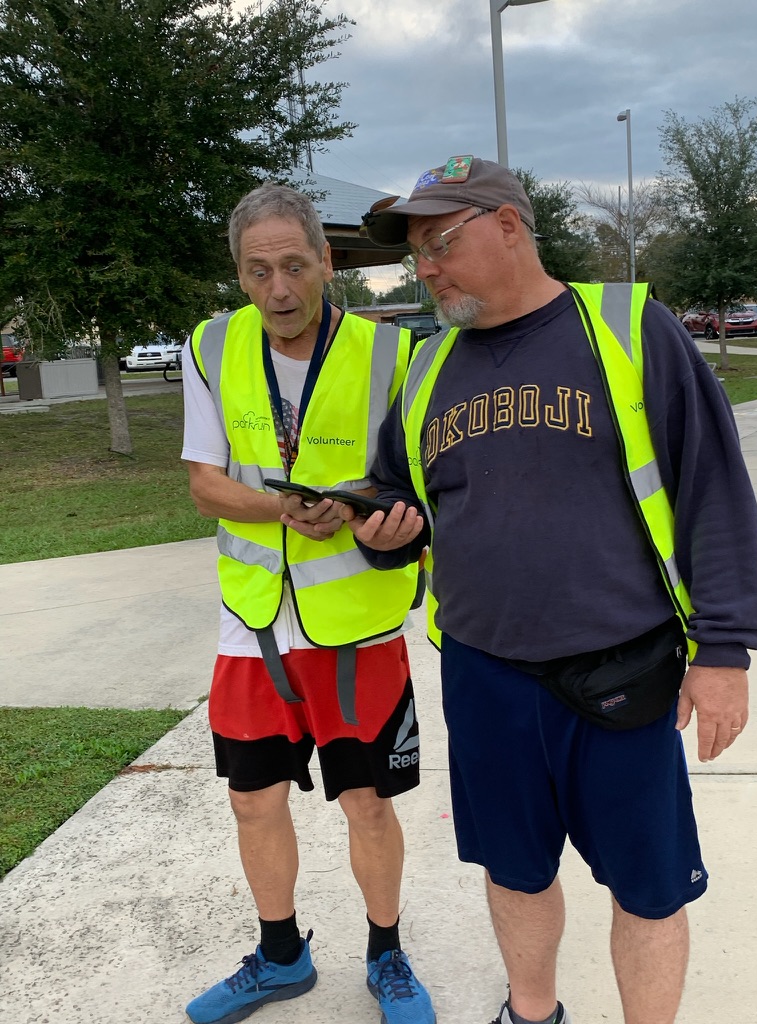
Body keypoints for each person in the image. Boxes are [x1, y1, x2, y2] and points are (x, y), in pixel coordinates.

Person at [347, 156, 757, 1024]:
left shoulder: (627, 327)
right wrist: (381, 531)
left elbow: (713, 491)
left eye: (439, 242)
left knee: (649, 886)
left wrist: (723, 652)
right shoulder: (427, 366)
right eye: (417, 251)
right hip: (484, 671)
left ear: (508, 224)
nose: (423, 267)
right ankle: (530, 1012)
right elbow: (400, 493)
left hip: (623, 667)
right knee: (513, 868)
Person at [181, 183, 435, 1024]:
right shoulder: (210, 346)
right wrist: (279, 507)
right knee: (253, 797)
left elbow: (418, 490)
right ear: (239, 273)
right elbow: (207, 487)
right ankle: (281, 954)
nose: (279, 289)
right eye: (259, 271)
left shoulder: (393, 354)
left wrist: (371, 511)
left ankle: (386, 955)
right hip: (252, 621)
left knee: (366, 800)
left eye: (295, 265)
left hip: (356, 623)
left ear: (328, 262)